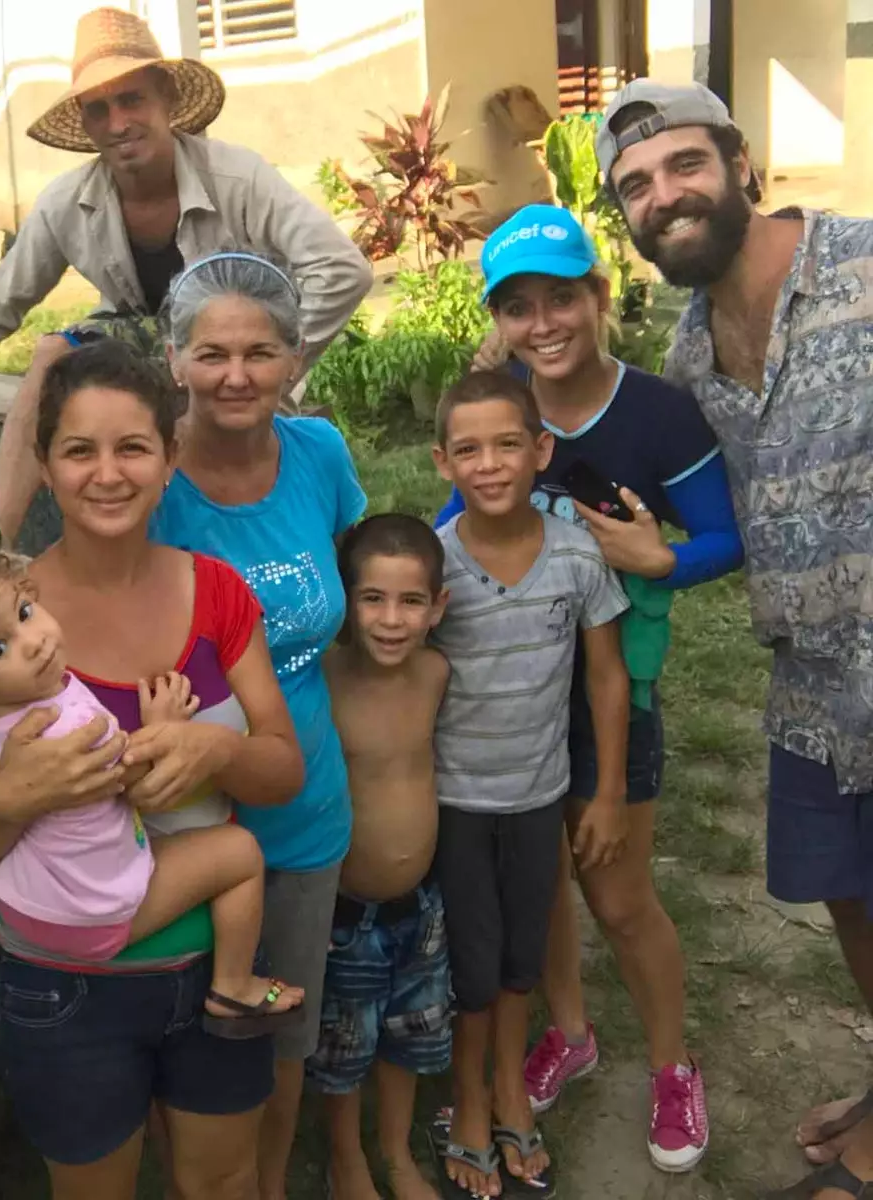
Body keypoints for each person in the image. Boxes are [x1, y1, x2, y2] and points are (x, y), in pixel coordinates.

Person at [0, 339, 306, 1199]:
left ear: (170, 460)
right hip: (65, 988)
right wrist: (17, 794)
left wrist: (219, 749)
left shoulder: (217, 592)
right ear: (46, 468)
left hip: (211, 967)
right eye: (79, 450)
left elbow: (284, 771)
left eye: (132, 447)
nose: (107, 474)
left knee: (226, 1181)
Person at [596, 80, 873, 1200]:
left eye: (683, 166)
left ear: (740, 162)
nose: (665, 197)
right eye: (635, 188)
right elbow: (720, 522)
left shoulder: (861, 266)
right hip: (810, 683)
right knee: (849, 899)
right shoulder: (687, 359)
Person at [444, 203, 743, 1172]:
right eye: (519, 306)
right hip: (508, 697)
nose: (544, 324)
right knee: (539, 895)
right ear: (499, 316)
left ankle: (671, 1064)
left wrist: (660, 560)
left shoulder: (656, 410)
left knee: (614, 893)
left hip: (613, 694)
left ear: (598, 297)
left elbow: (725, 537)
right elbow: (460, 526)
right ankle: (568, 1033)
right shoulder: (500, 412)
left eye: (562, 298)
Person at [0, 6, 372, 551]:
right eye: (98, 110)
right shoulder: (68, 202)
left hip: (229, 363)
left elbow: (342, 269)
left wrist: (275, 363)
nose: (118, 123)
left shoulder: (238, 178)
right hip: (145, 356)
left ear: (165, 96)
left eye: (132, 99)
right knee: (52, 353)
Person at [0, 539, 303, 1029]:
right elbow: (131, 780)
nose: (34, 641)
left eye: (25, 612)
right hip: (95, 918)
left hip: (24, 915)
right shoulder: (65, 718)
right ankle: (234, 988)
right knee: (240, 853)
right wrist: (162, 725)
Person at [151, 250, 368, 1200]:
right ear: (174, 362)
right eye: (211, 354)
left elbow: (361, 594)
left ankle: (270, 1183)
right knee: (177, 1026)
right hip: (177, 812)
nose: (236, 375)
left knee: (282, 1027)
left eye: (259, 352)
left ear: (292, 360)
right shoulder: (146, 479)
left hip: (304, 796)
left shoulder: (320, 454)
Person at [429, 371, 631, 1199]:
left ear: (541, 450)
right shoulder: (432, 570)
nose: (490, 464)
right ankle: (470, 1102)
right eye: (468, 449)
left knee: (519, 960)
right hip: (452, 805)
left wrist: (609, 791)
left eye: (508, 443)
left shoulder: (579, 554)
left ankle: (510, 1090)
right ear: (443, 461)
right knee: (471, 966)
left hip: (538, 798)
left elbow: (607, 680)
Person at [309, 514, 452, 1200]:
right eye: (372, 599)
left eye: (411, 601)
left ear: (438, 607)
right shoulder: (325, 678)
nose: (392, 620)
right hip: (346, 912)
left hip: (421, 906)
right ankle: (347, 1159)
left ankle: (395, 1151)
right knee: (344, 1047)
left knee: (408, 1038)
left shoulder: (435, 674)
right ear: (346, 600)